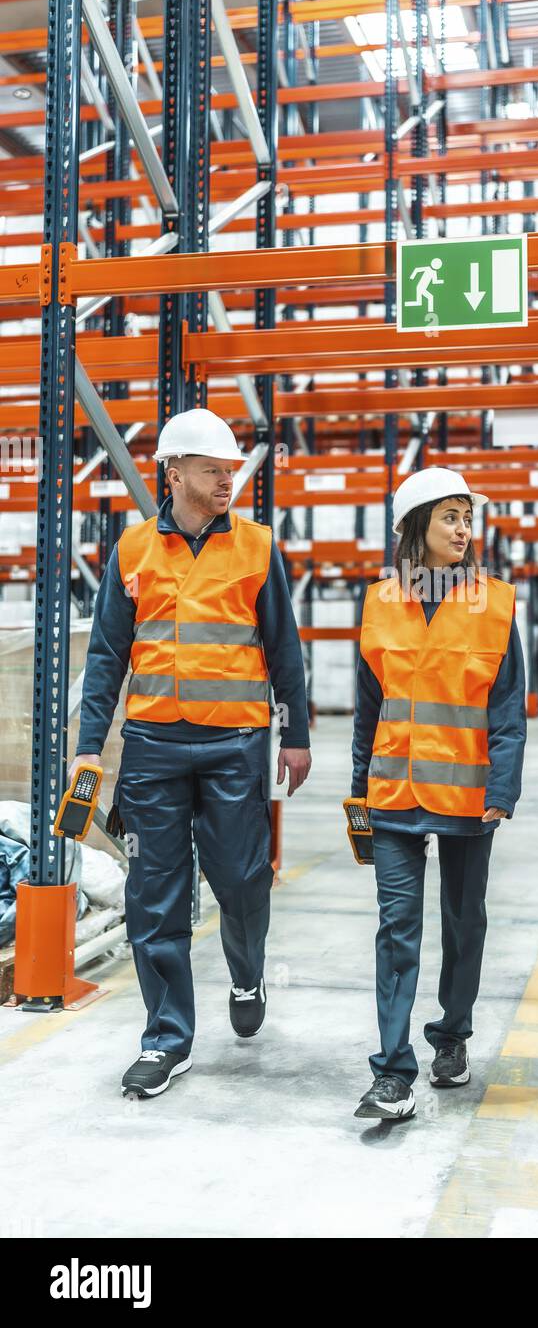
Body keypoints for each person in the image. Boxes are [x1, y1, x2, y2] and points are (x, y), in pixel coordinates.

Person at [69, 410, 312, 1099]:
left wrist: (293, 735)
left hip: (235, 743)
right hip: (152, 749)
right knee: (154, 896)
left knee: (239, 881)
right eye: (213, 471)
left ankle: (246, 969)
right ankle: (166, 1038)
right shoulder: (132, 550)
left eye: (231, 471)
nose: (227, 481)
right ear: (174, 472)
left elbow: (283, 651)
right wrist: (90, 749)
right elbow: (109, 656)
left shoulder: (259, 547)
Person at [351, 467, 527, 1121]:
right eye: (450, 516)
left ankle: (451, 1034)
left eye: (467, 517)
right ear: (415, 526)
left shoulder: (497, 602)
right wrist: (356, 794)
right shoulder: (377, 602)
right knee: (396, 930)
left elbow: (508, 709)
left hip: (467, 796)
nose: (463, 529)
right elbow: (370, 710)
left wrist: (503, 788)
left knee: (463, 924)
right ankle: (392, 1074)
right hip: (393, 793)